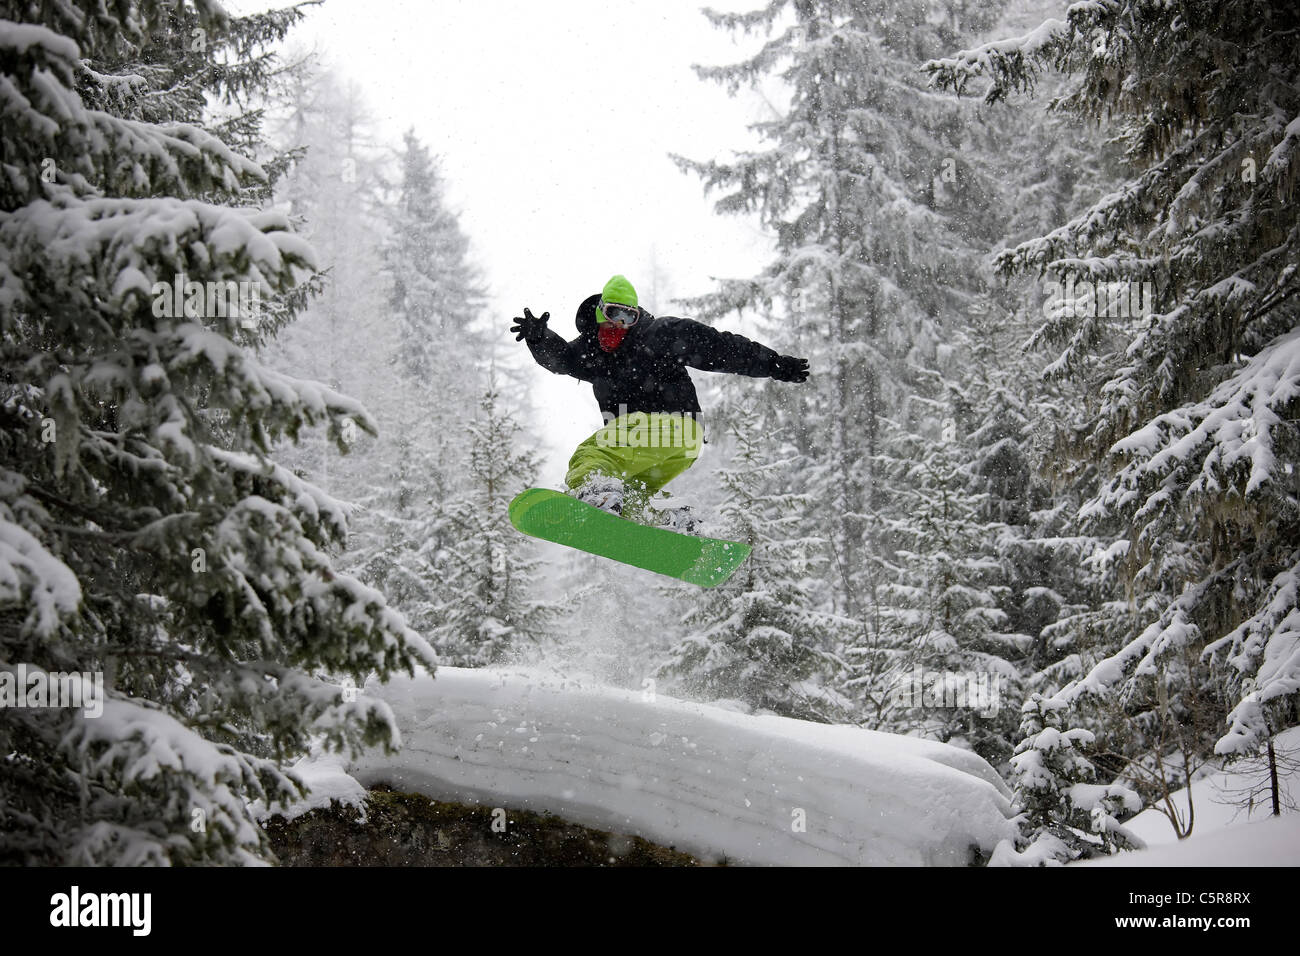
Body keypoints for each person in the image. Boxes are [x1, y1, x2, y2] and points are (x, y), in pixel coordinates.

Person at [511, 275, 809, 531]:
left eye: (629, 317)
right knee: (632, 495)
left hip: (669, 425)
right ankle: (675, 522)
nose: (620, 324)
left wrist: (774, 364)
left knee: (592, 455)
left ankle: (597, 491)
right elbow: (563, 359)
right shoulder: (594, 353)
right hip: (680, 446)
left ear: (638, 318)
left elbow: (722, 347)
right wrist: (539, 339)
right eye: (614, 314)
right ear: (600, 312)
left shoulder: (659, 334)